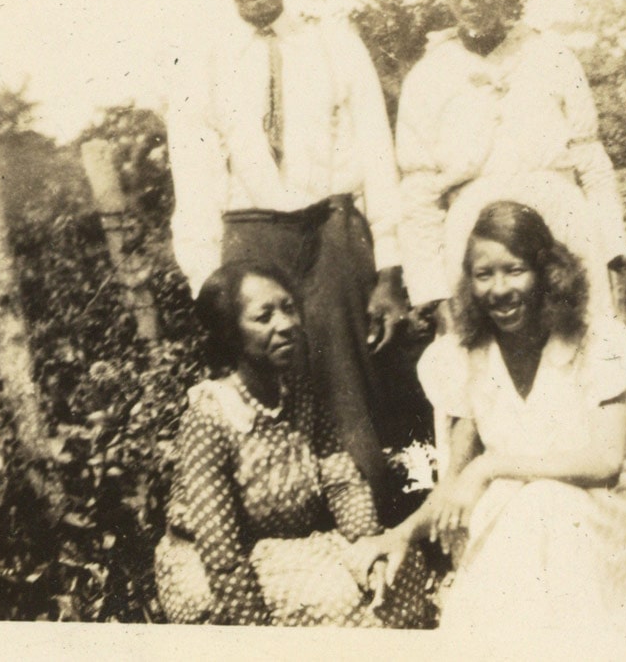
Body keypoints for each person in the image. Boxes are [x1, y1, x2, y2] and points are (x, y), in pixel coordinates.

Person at [164, 0, 427, 514]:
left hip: (334, 232)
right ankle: (310, 538)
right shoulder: (200, 60)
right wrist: (212, 291)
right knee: (279, 391)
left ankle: (395, 531)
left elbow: (377, 155)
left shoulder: (334, 39)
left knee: (364, 383)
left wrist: (388, 271)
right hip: (251, 241)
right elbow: (195, 183)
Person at [354, 202, 626, 633]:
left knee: (543, 505)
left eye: (514, 270)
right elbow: (454, 489)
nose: (499, 289)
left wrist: (493, 465)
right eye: (484, 275)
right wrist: (399, 534)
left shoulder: (595, 340)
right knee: (524, 526)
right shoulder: (470, 356)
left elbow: (606, 463)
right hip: (514, 525)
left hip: (598, 518)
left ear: (547, 273)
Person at [154, 262, 433, 627]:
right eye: (263, 317)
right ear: (229, 333)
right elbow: (221, 551)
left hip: (290, 548)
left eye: (288, 308)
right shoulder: (212, 415)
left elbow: (342, 482)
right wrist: (255, 633)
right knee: (339, 600)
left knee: (400, 568)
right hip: (218, 566)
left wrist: (370, 547)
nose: (285, 324)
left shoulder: (298, 394)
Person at [394, 0, 626, 333]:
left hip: (565, 237)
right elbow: (418, 197)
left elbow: (592, 166)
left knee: (583, 362)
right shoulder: (426, 77)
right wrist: (434, 295)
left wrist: (616, 265)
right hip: (478, 257)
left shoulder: (551, 55)